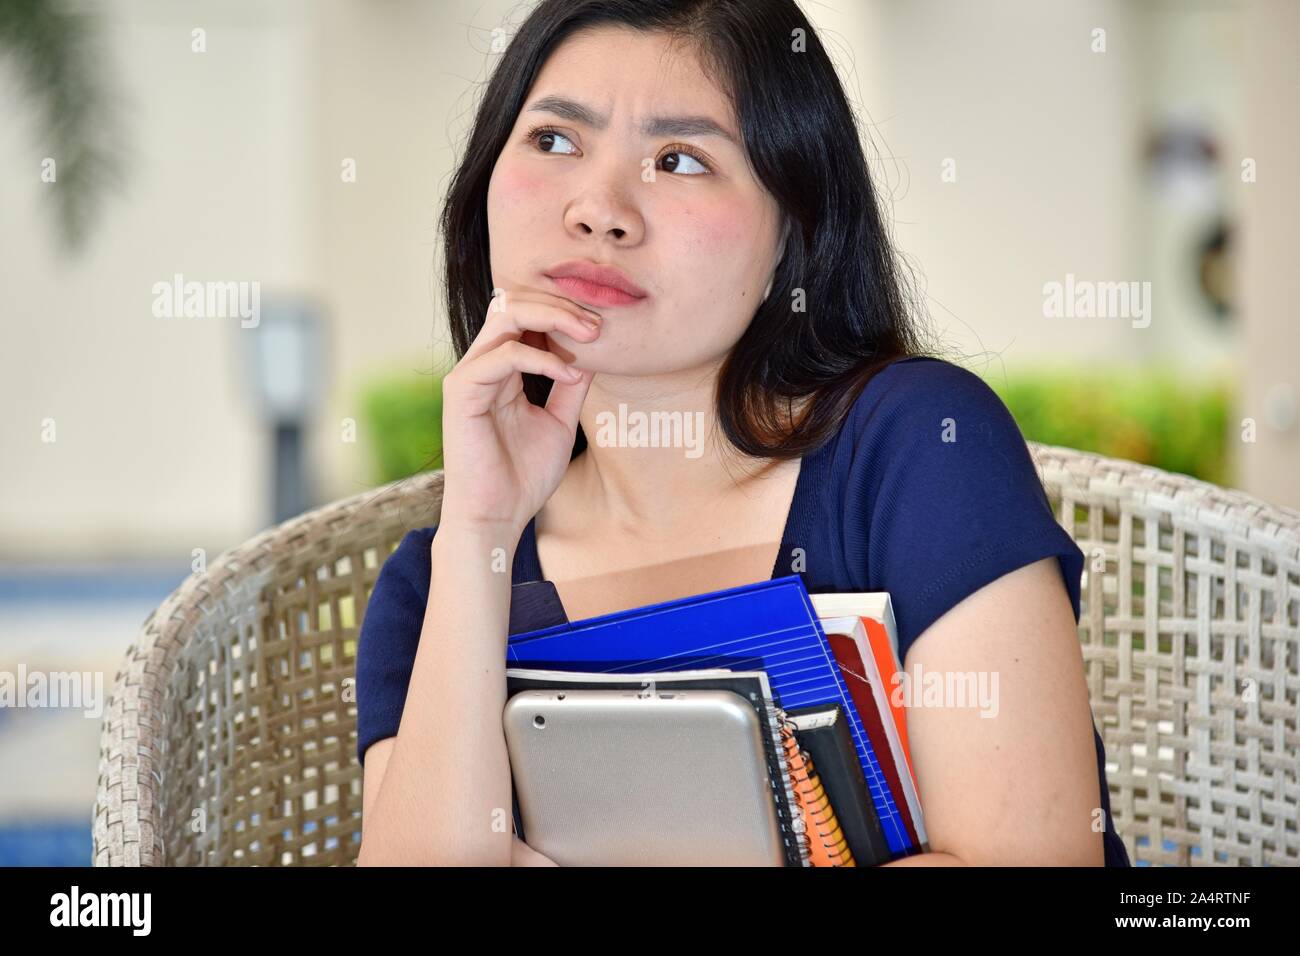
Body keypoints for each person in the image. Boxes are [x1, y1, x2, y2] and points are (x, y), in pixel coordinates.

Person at [354, 0, 1130, 867]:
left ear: (791, 238)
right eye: (555, 141)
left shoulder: (919, 451)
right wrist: (482, 534)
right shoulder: (437, 581)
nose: (598, 209)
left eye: (679, 160)